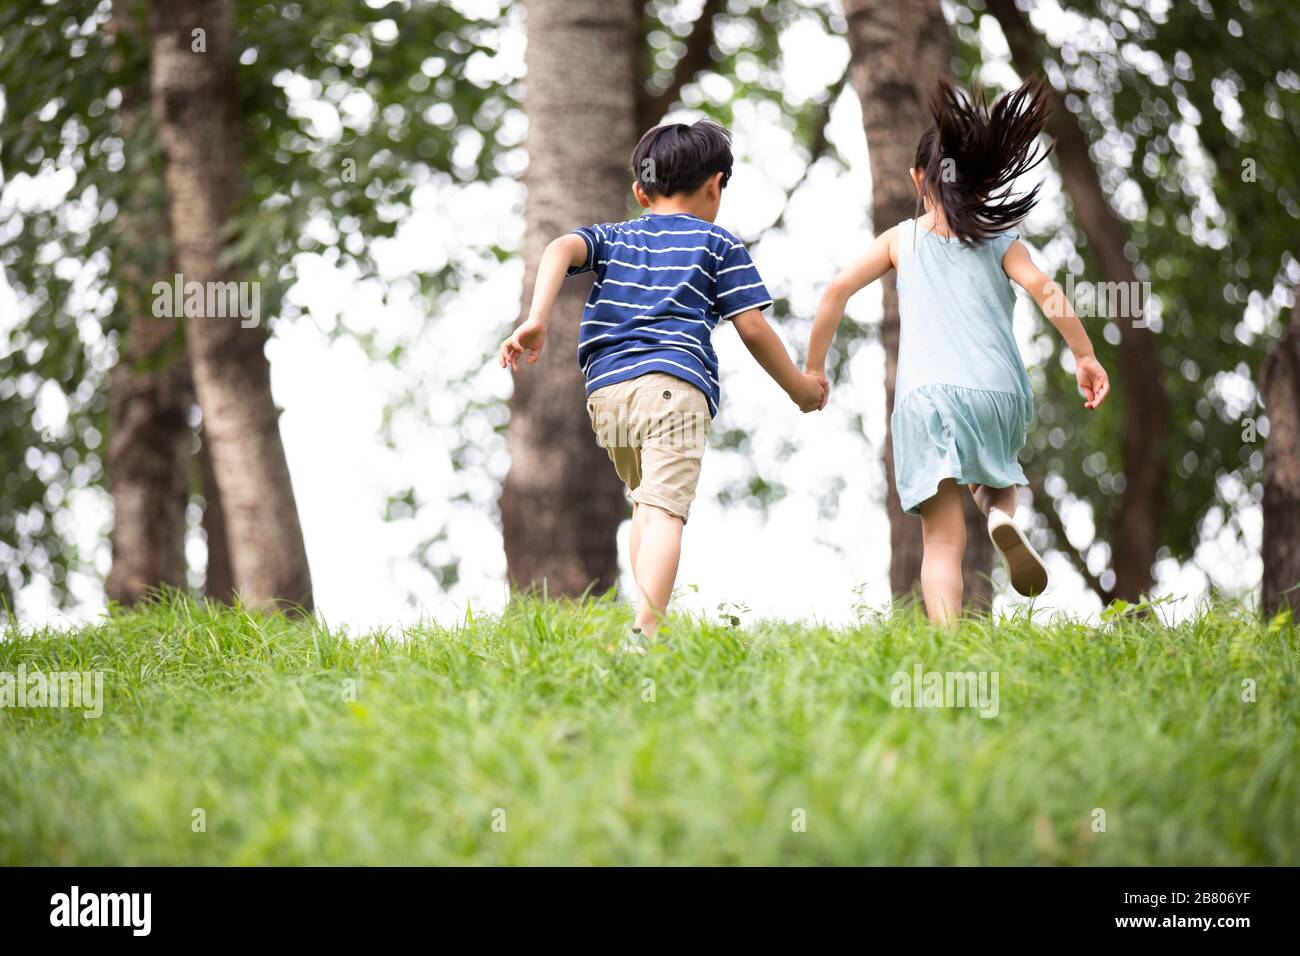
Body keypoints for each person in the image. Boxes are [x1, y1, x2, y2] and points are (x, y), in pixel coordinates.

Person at [500, 119, 825, 648]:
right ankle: (646, 635)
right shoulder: (718, 243)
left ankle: (641, 627)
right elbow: (752, 326)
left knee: (644, 505)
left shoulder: (614, 236)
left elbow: (560, 246)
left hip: (607, 395)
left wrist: (537, 318)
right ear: (715, 185)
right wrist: (798, 387)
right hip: (673, 384)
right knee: (664, 511)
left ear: (640, 191)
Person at [804, 78, 1110, 626]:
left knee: (941, 543)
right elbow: (1046, 290)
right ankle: (999, 515)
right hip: (998, 395)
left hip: (925, 400)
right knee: (995, 484)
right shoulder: (1001, 239)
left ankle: (947, 647)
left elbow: (835, 290)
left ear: (920, 179)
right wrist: (1084, 356)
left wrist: (813, 368)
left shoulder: (901, 239)